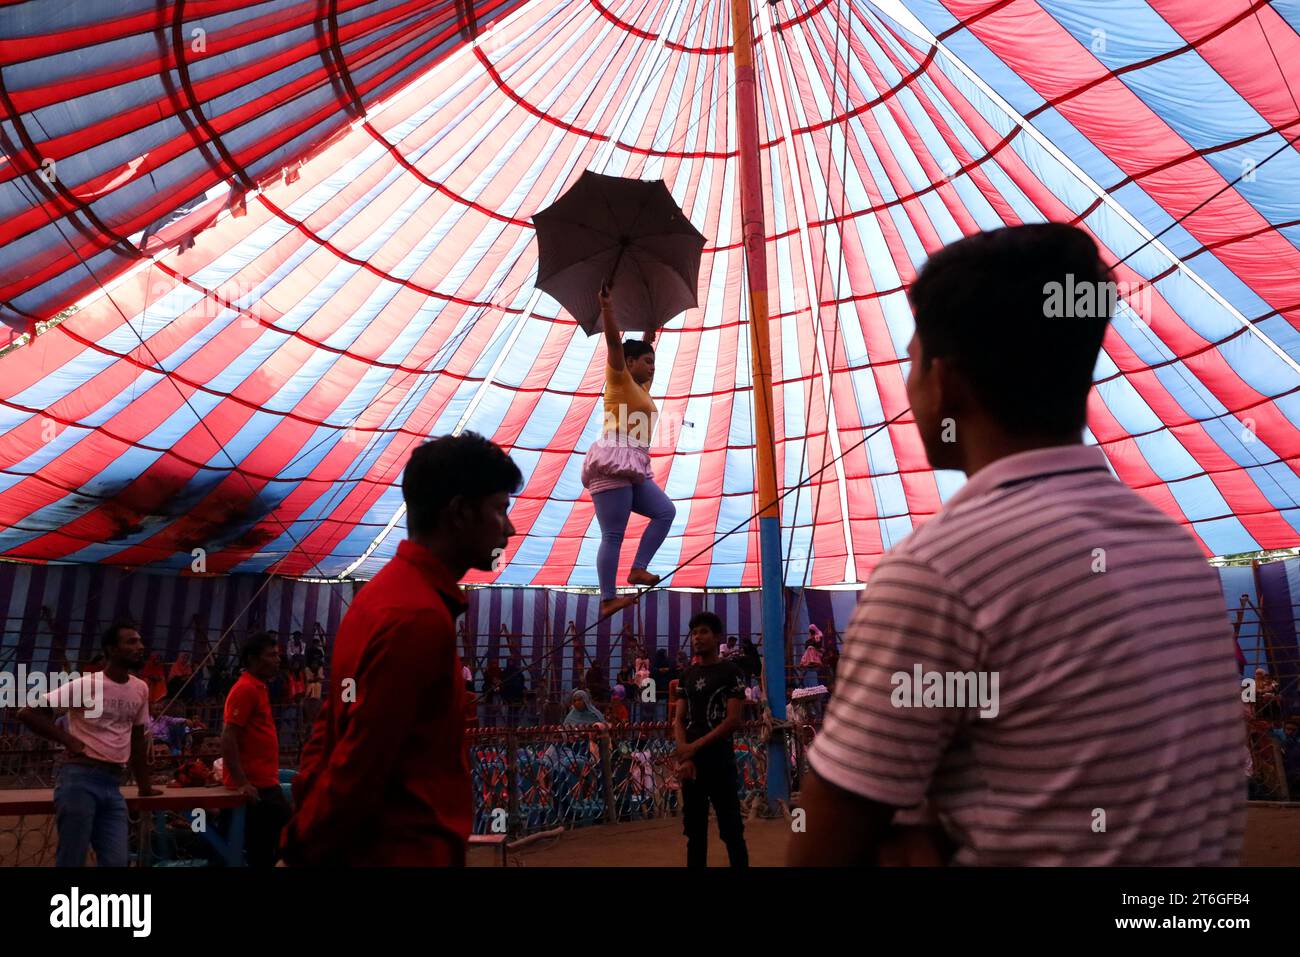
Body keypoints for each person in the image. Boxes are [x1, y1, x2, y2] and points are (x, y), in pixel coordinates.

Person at [790, 223, 1245, 866]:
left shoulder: (937, 572)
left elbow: (821, 853)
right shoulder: (1178, 554)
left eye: (912, 360)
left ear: (943, 384)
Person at [282, 432, 520, 866]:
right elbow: (360, 763)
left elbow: (330, 733)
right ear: (460, 513)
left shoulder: (380, 596)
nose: (510, 527)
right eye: (500, 509)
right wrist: (300, 851)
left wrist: (302, 833)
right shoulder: (418, 617)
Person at [17, 622, 158, 867]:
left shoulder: (140, 688)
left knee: (116, 861)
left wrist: (145, 787)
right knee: (72, 857)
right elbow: (27, 713)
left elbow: (137, 737)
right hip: (79, 779)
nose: (140, 647)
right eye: (132, 642)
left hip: (113, 783)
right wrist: (68, 739)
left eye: (140, 641)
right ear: (111, 650)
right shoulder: (86, 685)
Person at [582, 282, 676, 618]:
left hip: (634, 464)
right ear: (629, 361)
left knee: (665, 512)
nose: (653, 366)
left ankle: (638, 569)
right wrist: (607, 308)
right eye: (647, 361)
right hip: (613, 459)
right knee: (613, 534)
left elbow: (645, 353)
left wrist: (650, 330)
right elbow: (612, 343)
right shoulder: (619, 377)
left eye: (654, 362)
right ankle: (607, 598)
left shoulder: (641, 387)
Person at [674, 611, 748, 867]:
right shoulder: (686, 675)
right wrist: (683, 750)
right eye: (694, 633)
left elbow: (733, 720)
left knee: (731, 830)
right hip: (692, 763)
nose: (697, 637)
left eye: (704, 632)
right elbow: (678, 719)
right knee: (694, 832)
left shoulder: (732, 672)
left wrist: (692, 747)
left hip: (719, 761)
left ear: (717, 637)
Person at [221, 633, 289, 868]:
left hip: (265, 783)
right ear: (252, 659)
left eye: (277, 654)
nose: (277, 659)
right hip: (256, 787)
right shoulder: (246, 689)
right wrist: (241, 782)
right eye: (271, 655)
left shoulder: (259, 687)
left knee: (269, 848)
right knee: (270, 848)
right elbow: (228, 737)